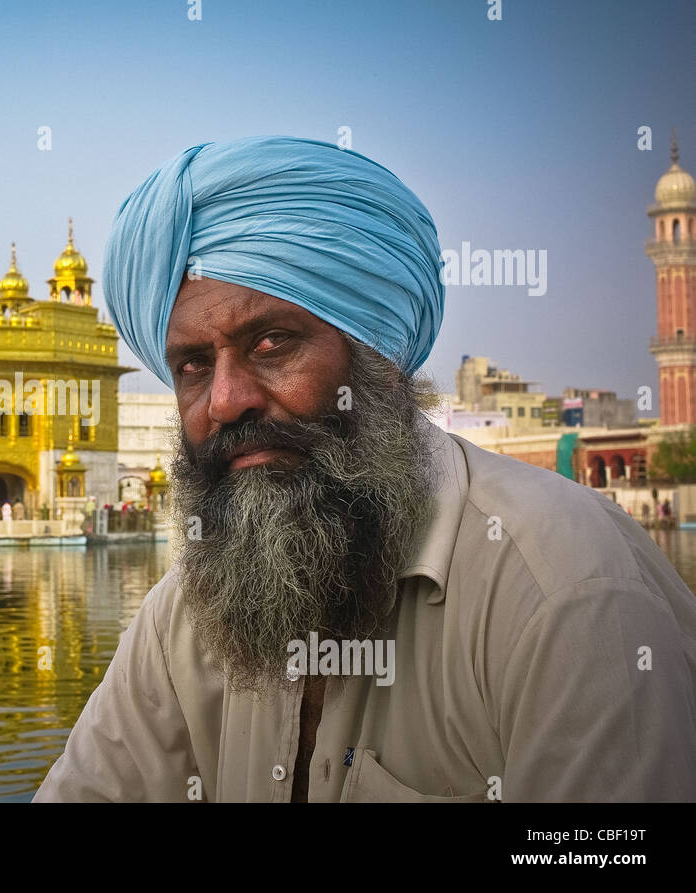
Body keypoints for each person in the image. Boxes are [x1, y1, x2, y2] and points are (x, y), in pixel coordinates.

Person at [34, 135, 696, 803]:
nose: (226, 400)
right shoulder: (181, 621)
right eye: (194, 366)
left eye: (272, 342)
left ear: (376, 354)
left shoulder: (563, 592)